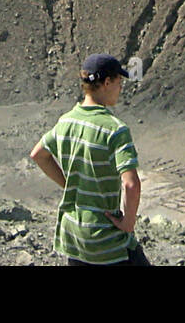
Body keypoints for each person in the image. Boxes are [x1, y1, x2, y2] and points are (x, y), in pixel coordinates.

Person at [29, 54, 149, 266]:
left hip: (73, 236)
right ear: (107, 83)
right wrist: (128, 223)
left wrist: (69, 185)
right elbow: (131, 184)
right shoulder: (115, 130)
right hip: (106, 241)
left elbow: (38, 155)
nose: (121, 88)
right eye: (119, 82)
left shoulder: (65, 121)